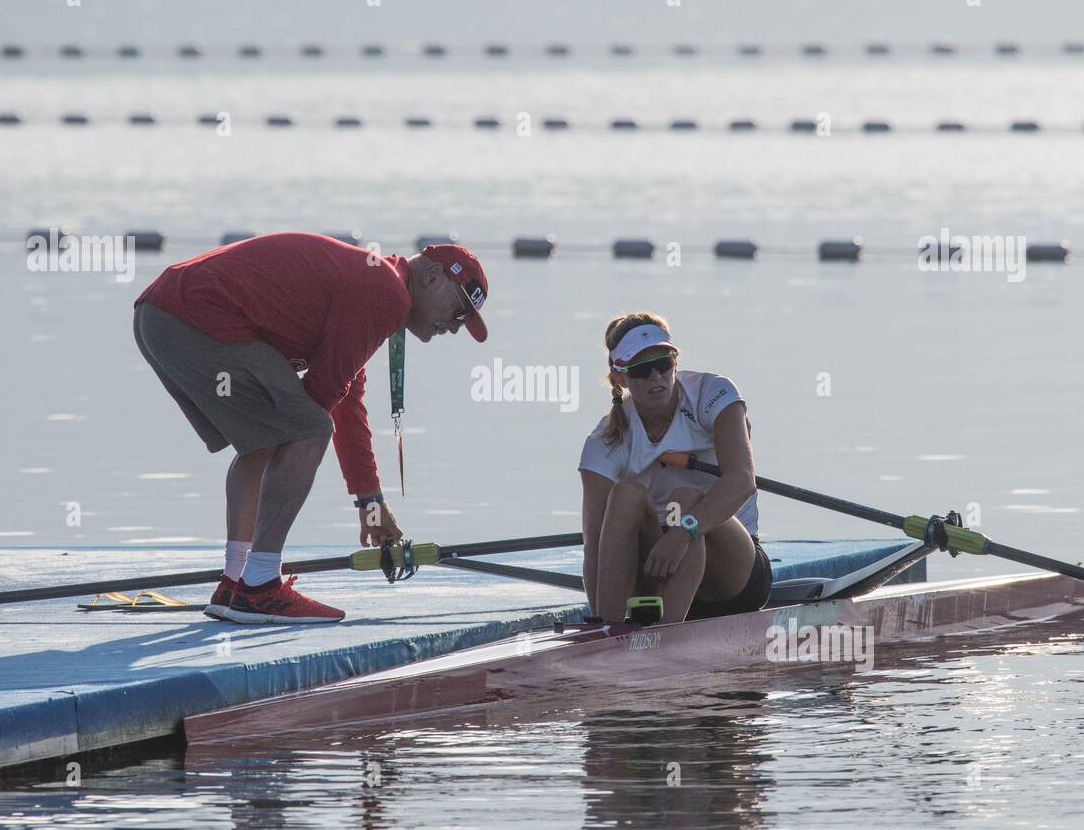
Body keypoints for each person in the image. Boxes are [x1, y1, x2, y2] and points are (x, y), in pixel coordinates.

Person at [132, 232, 489, 624]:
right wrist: (306, 442)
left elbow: (347, 400)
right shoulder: (386, 293)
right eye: (459, 313)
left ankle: (235, 581)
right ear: (434, 276)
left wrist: (370, 504)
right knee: (306, 428)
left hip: (158, 315)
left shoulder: (375, 287)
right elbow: (319, 405)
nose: (454, 328)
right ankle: (259, 586)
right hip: (194, 317)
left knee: (263, 440)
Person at [578, 312, 769, 624]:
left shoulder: (715, 395)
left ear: (675, 362)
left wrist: (682, 534)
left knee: (685, 500)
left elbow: (742, 480)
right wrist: (598, 614)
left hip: (735, 575)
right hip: (660, 569)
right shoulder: (603, 442)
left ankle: (666, 636)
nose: (656, 376)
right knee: (626, 495)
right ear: (620, 378)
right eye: (641, 369)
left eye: (663, 363)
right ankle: (607, 633)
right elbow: (595, 550)